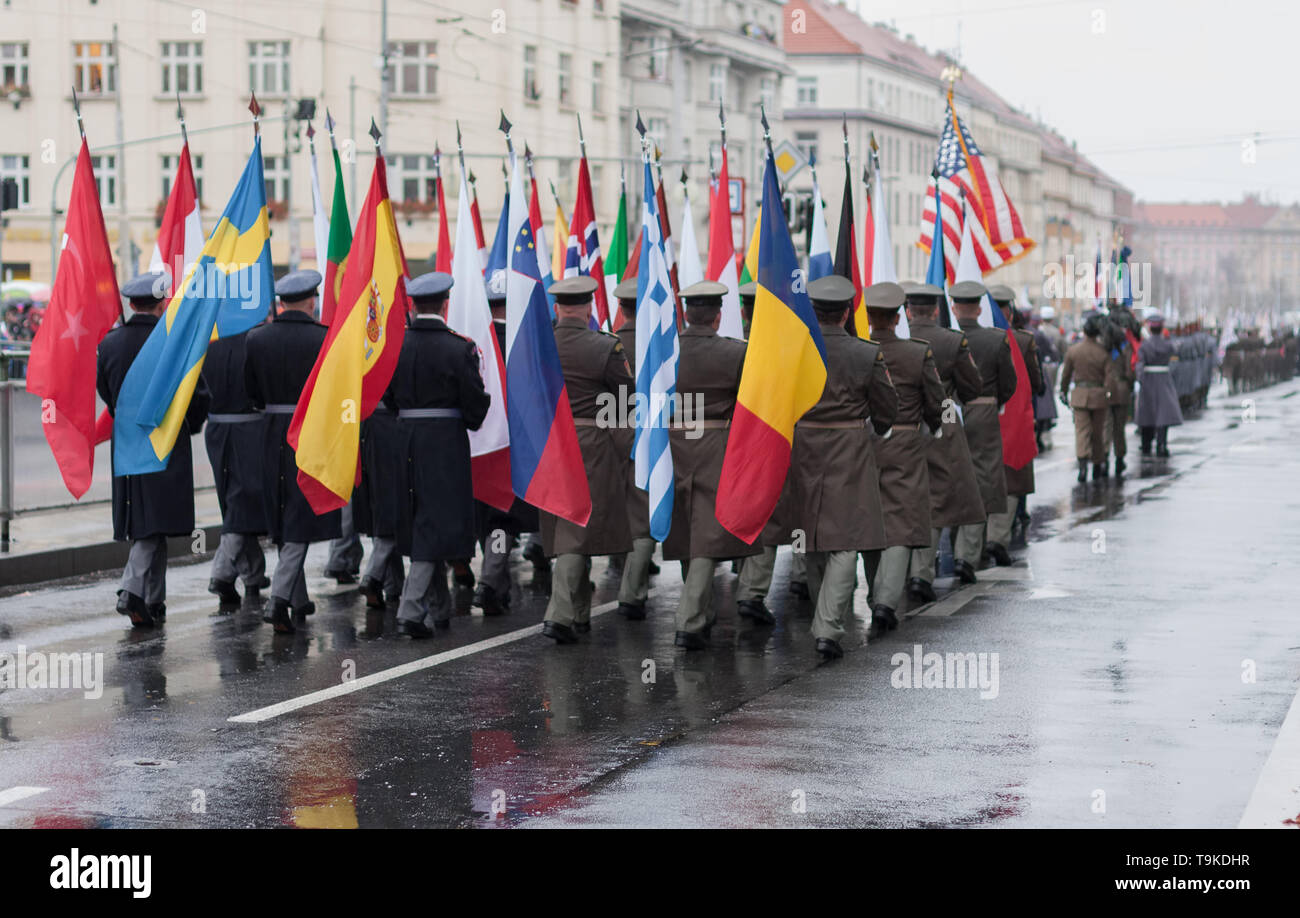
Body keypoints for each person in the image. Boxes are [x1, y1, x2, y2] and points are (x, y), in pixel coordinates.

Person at [97, 270, 210, 627]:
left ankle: (154, 600)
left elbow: (104, 390)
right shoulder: (174, 340)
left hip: (127, 441)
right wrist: (187, 425)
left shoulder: (110, 342)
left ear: (132, 303)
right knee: (153, 523)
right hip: (164, 440)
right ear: (163, 303)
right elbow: (197, 393)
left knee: (146, 521)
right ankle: (131, 590)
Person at [793, 275, 897, 660]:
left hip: (802, 446)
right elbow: (887, 407)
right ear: (848, 311)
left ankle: (824, 619)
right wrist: (880, 430)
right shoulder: (866, 353)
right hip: (849, 448)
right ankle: (827, 627)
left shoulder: (795, 350)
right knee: (846, 540)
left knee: (813, 535)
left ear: (813, 310)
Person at [384, 271, 490, 638]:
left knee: (422, 516)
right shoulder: (458, 347)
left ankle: (440, 607)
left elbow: (387, 398)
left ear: (414, 304)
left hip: (404, 440)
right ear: (445, 303)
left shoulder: (396, 345)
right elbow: (474, 404)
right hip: (443, 442)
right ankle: (411, 610)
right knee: (436, 518)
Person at [661, 281, 761, 649]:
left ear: (687, 313)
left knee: (688, 528)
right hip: (716, 445)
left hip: (671, 445)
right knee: (705, 533)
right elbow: (751, 403)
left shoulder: (665, 352)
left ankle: (699, 610)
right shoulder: (736, 353)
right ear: (718, 317)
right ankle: (689, 621)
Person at [244, 269, 341, 634]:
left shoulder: (256, 339)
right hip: (310, 432)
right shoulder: (324, 338)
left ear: (281, 303)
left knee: (284, 510)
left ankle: (296, 600)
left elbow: (251, 392)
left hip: (270, 432)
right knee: (300, 516)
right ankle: (280, 598)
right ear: (312, 300)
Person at [540, 275, 634, 644]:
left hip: (550, 442)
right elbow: (626, 399)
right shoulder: (605, 347)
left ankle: (578, 612)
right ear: (590, 306)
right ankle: (560, 615)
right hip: (590, 440)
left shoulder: (541, 345)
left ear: (558, 307)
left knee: (564, 522)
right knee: (578, 528)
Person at [860, 282, 943, 637]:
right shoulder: (916, 353)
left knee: (869, 520)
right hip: (906, 442)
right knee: (901, 523)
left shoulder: (858, 350)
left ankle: (877, 594)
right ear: (898, 317)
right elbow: (936, 402)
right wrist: (934, 427)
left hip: (860, 443)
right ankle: (884, 603)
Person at [904, 283, 985, 604]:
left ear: (908, 311)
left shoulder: (897, 340)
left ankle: (910, 573)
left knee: (906, 497)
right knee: (954, 494)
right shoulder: (953, 342)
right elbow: (972, 387)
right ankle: (949, 563)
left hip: (901, 426)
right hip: (944, 421)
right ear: (937, 311)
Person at [472, 289, 543, 616]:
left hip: (484, 441)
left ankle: (495, 585)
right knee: (506, 518)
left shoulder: (475, 341)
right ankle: (489, 582)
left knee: (493, 517)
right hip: (517, 443)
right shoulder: (524, 341)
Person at [201, 294, 268, 607]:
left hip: (216, 430)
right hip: (249, 428)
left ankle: (253, 574)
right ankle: (223, 573)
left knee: (236, 499)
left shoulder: (209, 346)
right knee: (244, 502)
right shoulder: (255, 344)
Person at [949, 280, 1016, 584]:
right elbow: (1009, 384)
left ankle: (950, 550)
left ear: (953, 307)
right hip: (985, 411)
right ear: (979, 308)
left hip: (950, 411)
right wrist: (994, 402)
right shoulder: (996, 339)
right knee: (983, 481)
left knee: (951, 478)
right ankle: (967, 555)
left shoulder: (944, 337)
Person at [984, 286, 1045, 565]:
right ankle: (996, 537)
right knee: (1010, 477)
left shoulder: (967, 337)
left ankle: (973, 543)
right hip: (1013, 415)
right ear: (1009, 309)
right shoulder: (1022, 340)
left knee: (979, 473)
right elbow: (1036, 382)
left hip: (979, 415)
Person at [610, 277, 658, 622]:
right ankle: (631, 593)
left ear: (621, 308)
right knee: (643, 520)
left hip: (609, 436)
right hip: (651, 436)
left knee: (613, 509)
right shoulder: (660, 343)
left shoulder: (607, 344)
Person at [1059, 311, 1114, 483]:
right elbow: (1109, 377)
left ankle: (1082, 466)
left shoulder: (1073, 350)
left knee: (1081, 432)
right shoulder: (1103, 352)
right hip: (1098, 396)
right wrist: (1108, 393)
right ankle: (1097, 465)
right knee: (1097, 433)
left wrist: (1063, 390)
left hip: (1080, 396)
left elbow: (1066, 375)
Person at [1135, 310, 1183, 458]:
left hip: (1149, 379)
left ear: (1150, 328)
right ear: (1162, 328)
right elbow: (1176, 358)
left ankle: (1146, 444)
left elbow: (1139, 364)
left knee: (1147, 414)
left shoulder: (1144, 346)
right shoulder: (1168, 345)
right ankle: (1162, 445)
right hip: (1163, 379)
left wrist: (1140, 379)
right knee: (1163, 414)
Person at [1103, 303, 1140, 478]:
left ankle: (1103, 458)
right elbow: (1129, 371)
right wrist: (1130, 383)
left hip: (1107, 390)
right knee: (1119, 428)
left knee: (1107, 425)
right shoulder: (1126, 348)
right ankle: (1119, 459)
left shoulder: (1104, 349)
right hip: (1123, 390)